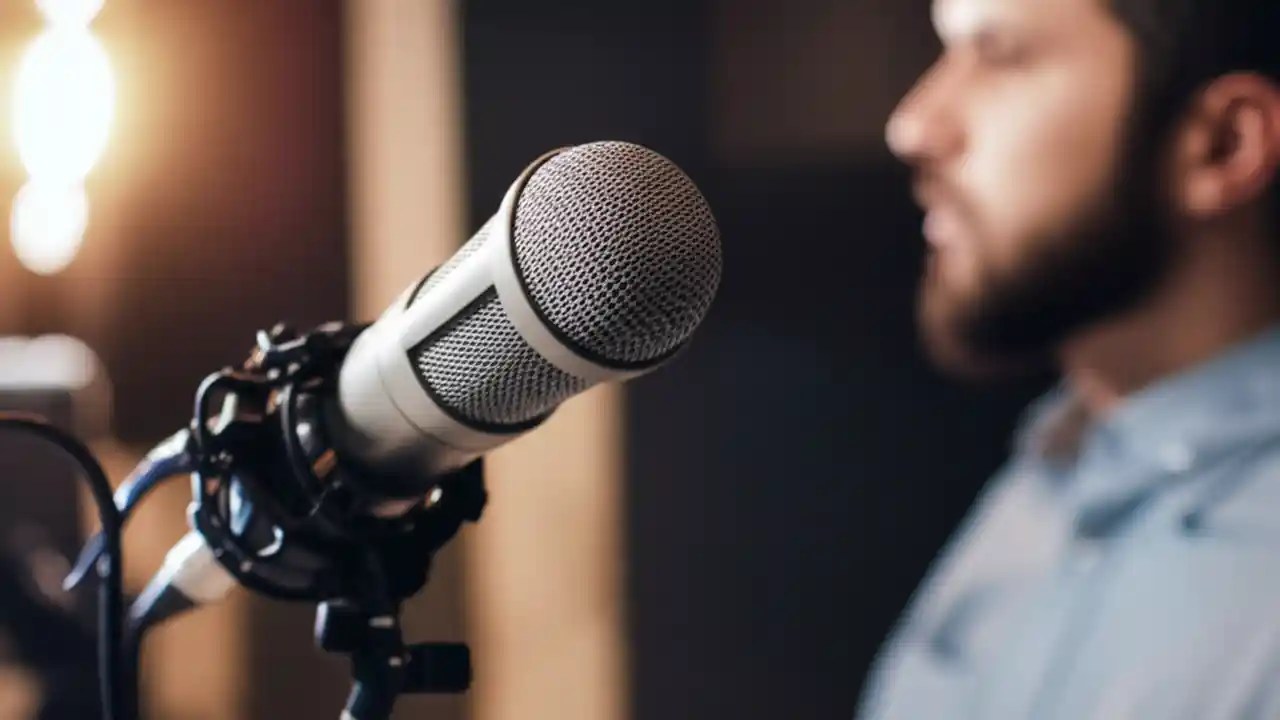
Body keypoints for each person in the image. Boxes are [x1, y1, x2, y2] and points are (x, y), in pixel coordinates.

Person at [859, 0, 1280, 717]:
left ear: (1222, 145)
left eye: (1000, 56)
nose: (912, 125)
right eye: (946, 50)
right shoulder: (1036, 493)